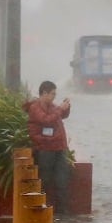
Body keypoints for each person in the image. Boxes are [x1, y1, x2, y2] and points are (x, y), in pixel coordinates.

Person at [23, 81, 72, 213]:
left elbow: (61, 115)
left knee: (62, 180)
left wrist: (66, 107)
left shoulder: (52, 106)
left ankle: (62, 211)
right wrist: (60, 109)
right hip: (44, 148)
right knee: (44, 180)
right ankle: (40, 210)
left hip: (58, 147)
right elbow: (46, 119)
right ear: (44, 93)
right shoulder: (35, 107)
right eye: (52, 94)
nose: (54, 97)